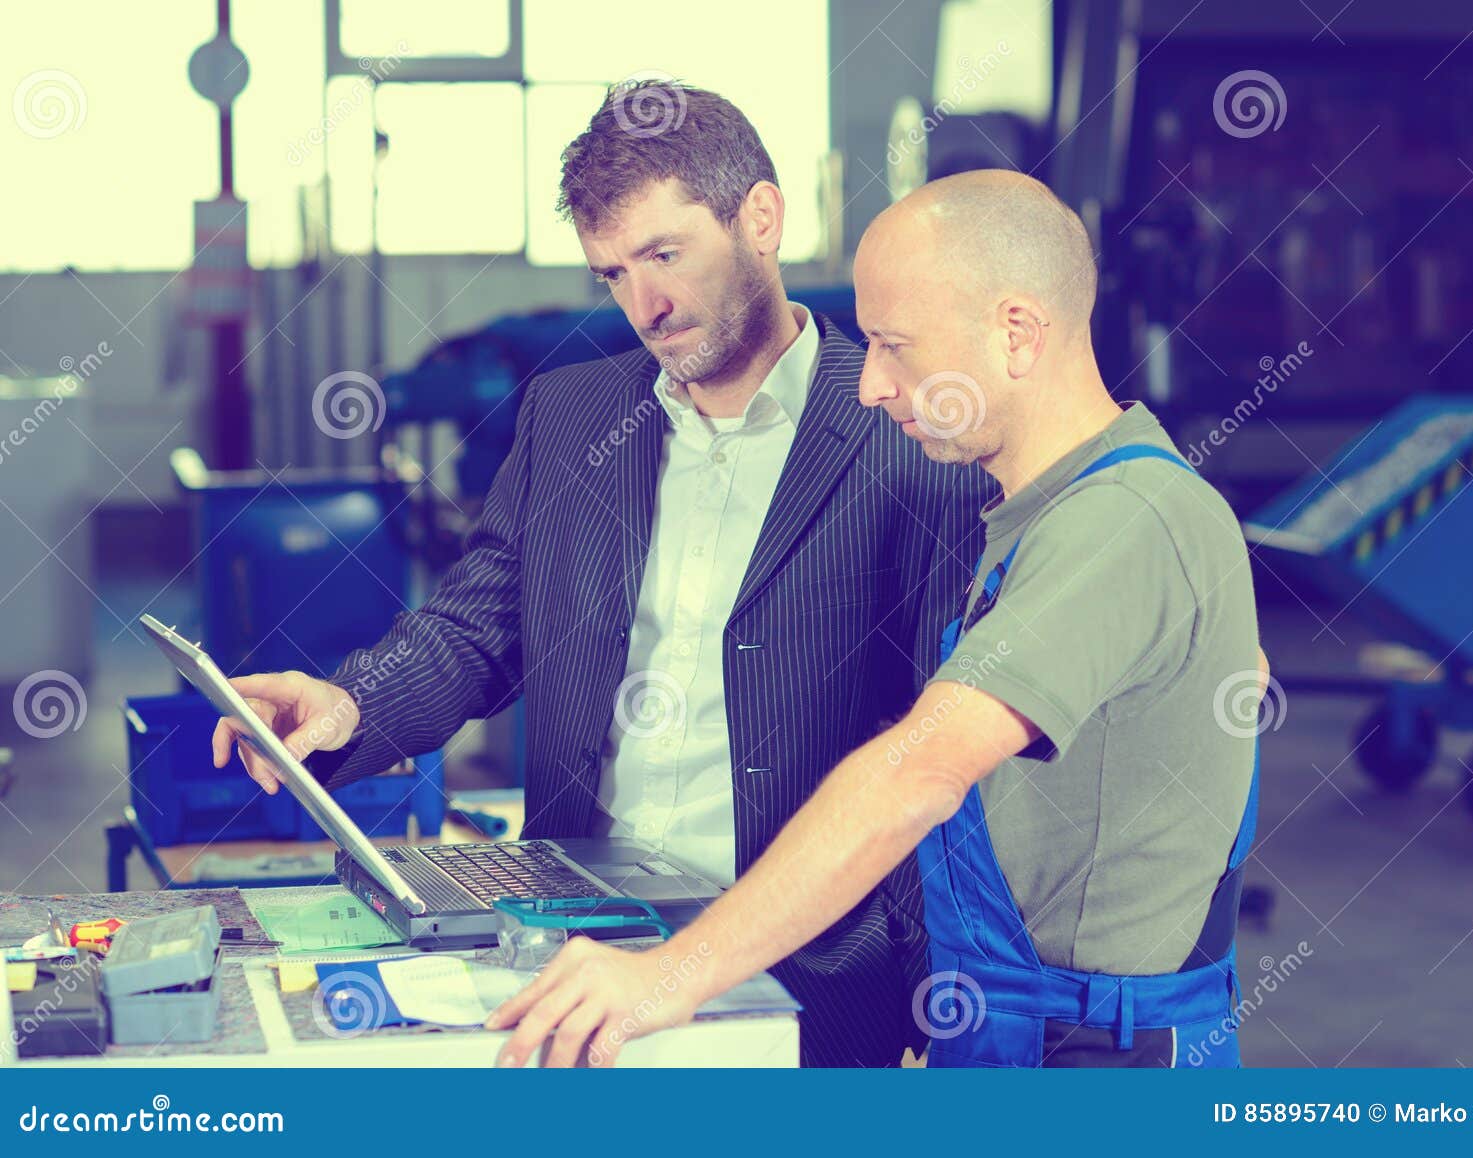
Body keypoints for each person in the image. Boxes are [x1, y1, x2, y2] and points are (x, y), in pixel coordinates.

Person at [210, 83, 992, 1067]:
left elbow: (941, 744)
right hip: (578, 943)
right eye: (612, 274)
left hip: (806, 964)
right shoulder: (572, 415)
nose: (645, 306)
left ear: (761, 217)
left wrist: (924, 994)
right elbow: (475, 627)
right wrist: (343, 704)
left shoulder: (903, 431)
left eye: (665, 255)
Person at [486, 170, 1266, 1069]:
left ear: (1016, 333)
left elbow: (919, 773)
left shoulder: (1125, 519)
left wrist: (669, 975)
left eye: (896, 346)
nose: (872, 385)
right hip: (1000, 1028)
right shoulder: (1036, 517)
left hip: (1093, 1054)